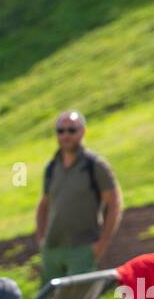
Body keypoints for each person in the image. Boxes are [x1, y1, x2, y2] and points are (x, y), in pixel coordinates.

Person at [35, 110, 122, 282]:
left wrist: (102, 244)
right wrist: (41, 240)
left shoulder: (95, 165)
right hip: (53, 248)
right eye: (61, 131)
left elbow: (114, 203)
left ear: (83, 131)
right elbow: (44, 204)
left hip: (83, 247)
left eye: (71, 130)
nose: (66, 135)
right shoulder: (52, 167)